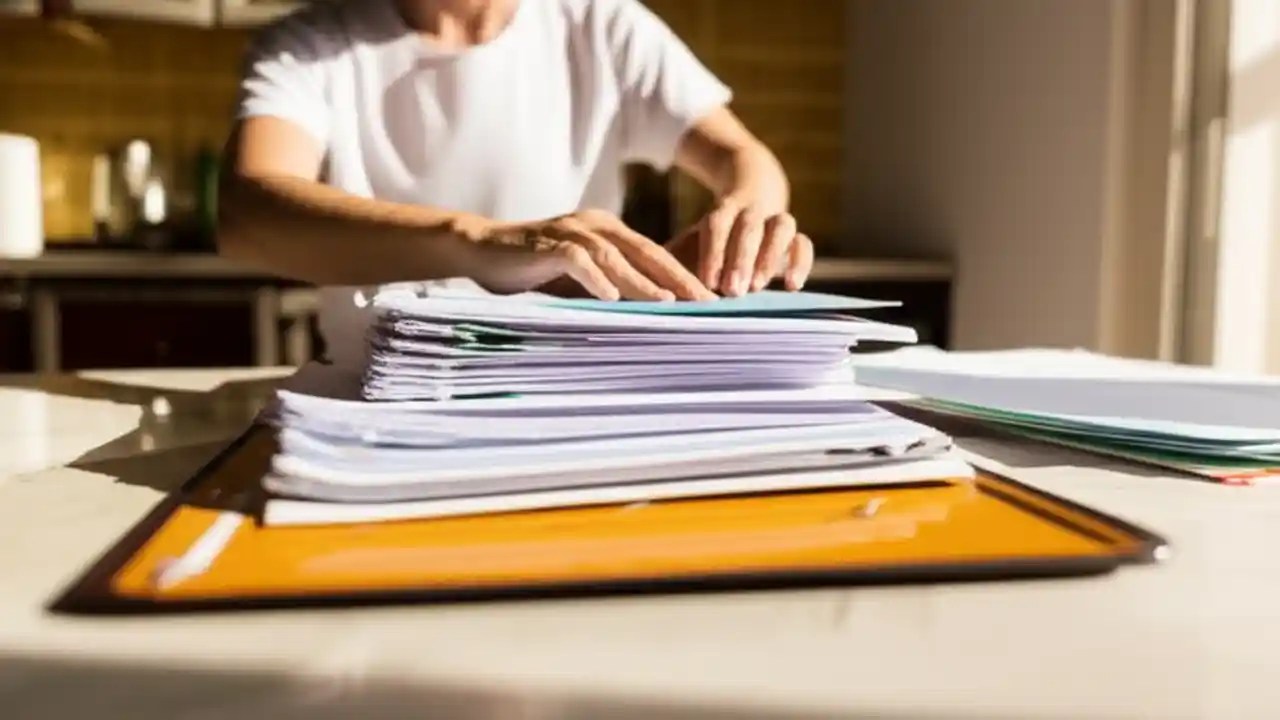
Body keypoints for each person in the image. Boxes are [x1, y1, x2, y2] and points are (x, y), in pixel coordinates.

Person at [218, 0, 815, 365]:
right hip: (371, 396)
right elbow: (249, 214)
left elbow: (742, 155)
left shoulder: (604, 26)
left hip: (573, 389)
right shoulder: (308, 47)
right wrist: (477, 243)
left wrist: (747, 218)